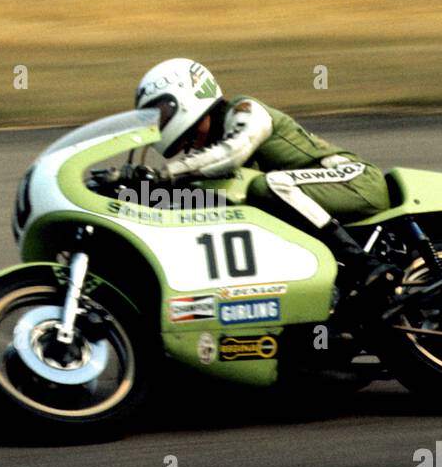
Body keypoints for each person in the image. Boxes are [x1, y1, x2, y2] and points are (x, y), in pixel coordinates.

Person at [133, 57, 392, 297]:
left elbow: (232, 153)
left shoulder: (246, 111)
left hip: (355, 179)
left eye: (162, 113)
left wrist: (165, 174)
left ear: (185, 99)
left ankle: (364, 265)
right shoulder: (216, 143)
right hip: (323, 191)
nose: (161, 122)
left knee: (270, 184)